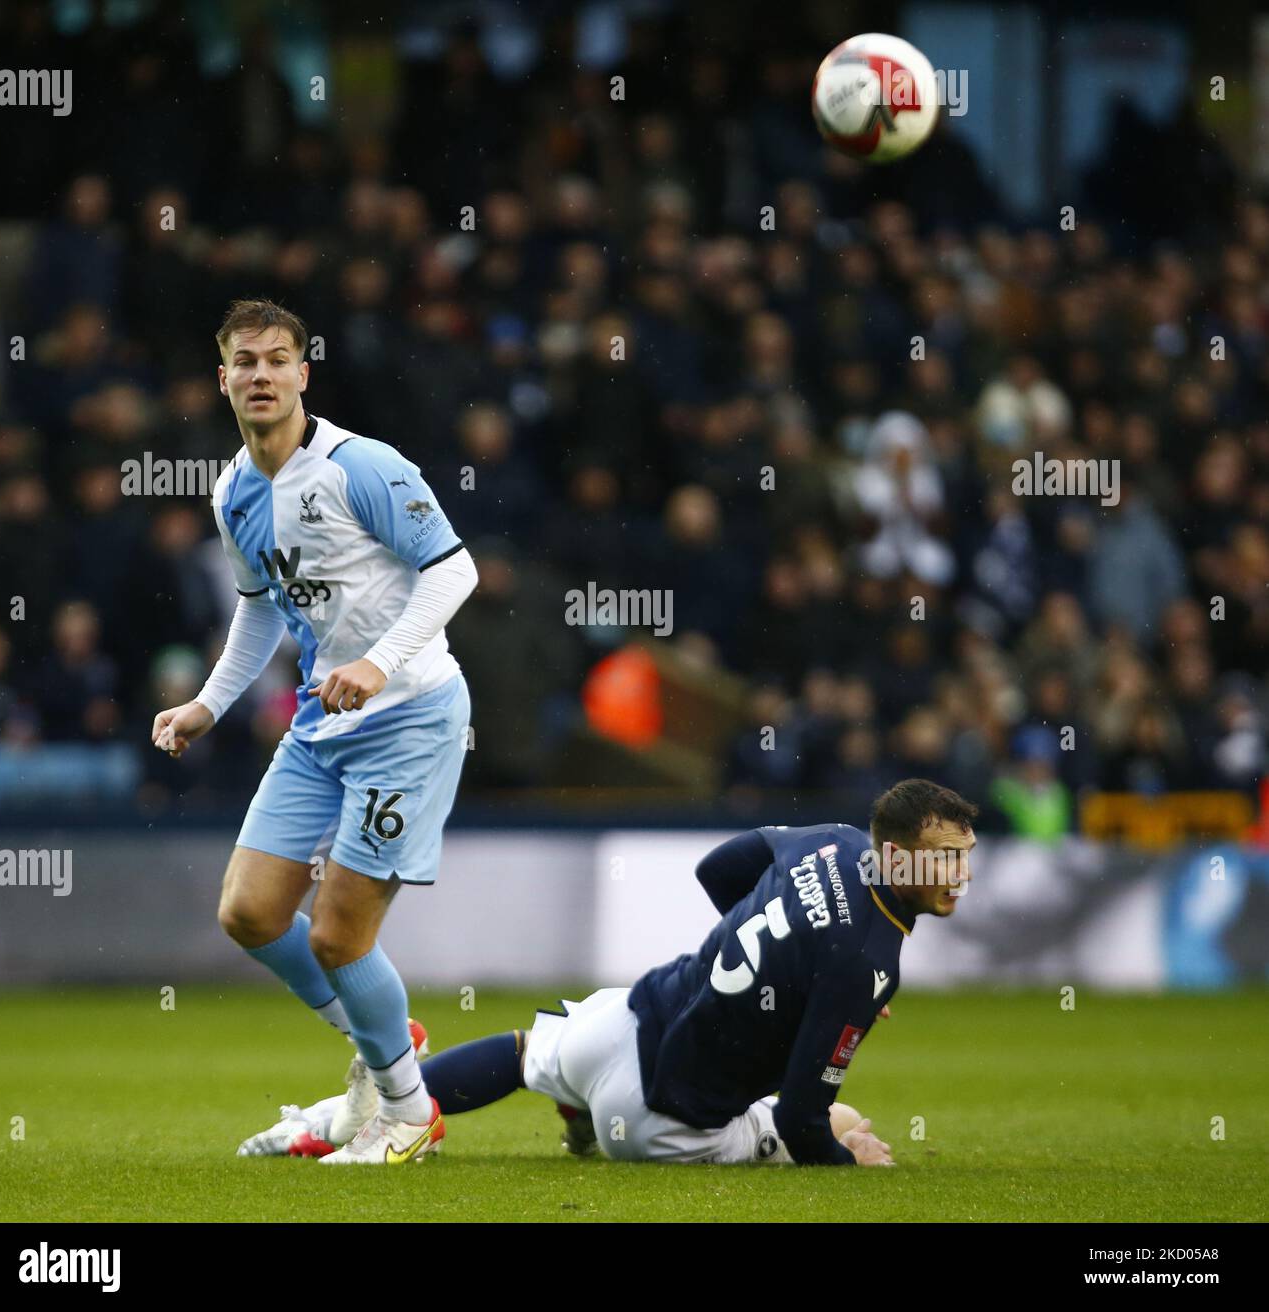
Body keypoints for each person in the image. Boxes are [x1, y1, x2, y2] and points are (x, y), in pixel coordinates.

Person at [240, 778, 977, 1167]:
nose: (959, 874)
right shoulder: (869, 960)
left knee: (527, 1052)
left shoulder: (832, 839)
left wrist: (755, 947)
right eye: (943, 856)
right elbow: (802, 1119)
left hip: (625, 1021)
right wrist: (851, 1163)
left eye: (966, 855)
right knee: (845, 1124)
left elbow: (719, 867)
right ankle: (587, 1117)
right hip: (664, 1124)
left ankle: (335, 1122)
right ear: (896, 852)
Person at [152, 299, 477, 1165]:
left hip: (408, 716)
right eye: (244, 362)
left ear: (305, 372)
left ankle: (408, 1112)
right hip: (321, 726)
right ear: (222, 380)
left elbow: (454, 571)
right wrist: (207, 706)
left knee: (338, 937)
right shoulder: (232, 491)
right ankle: (386, 1042)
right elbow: (259, 614)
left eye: (278, 359)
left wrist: (378, 662)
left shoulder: (358, 465)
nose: (261, 375)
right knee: (251, 913)